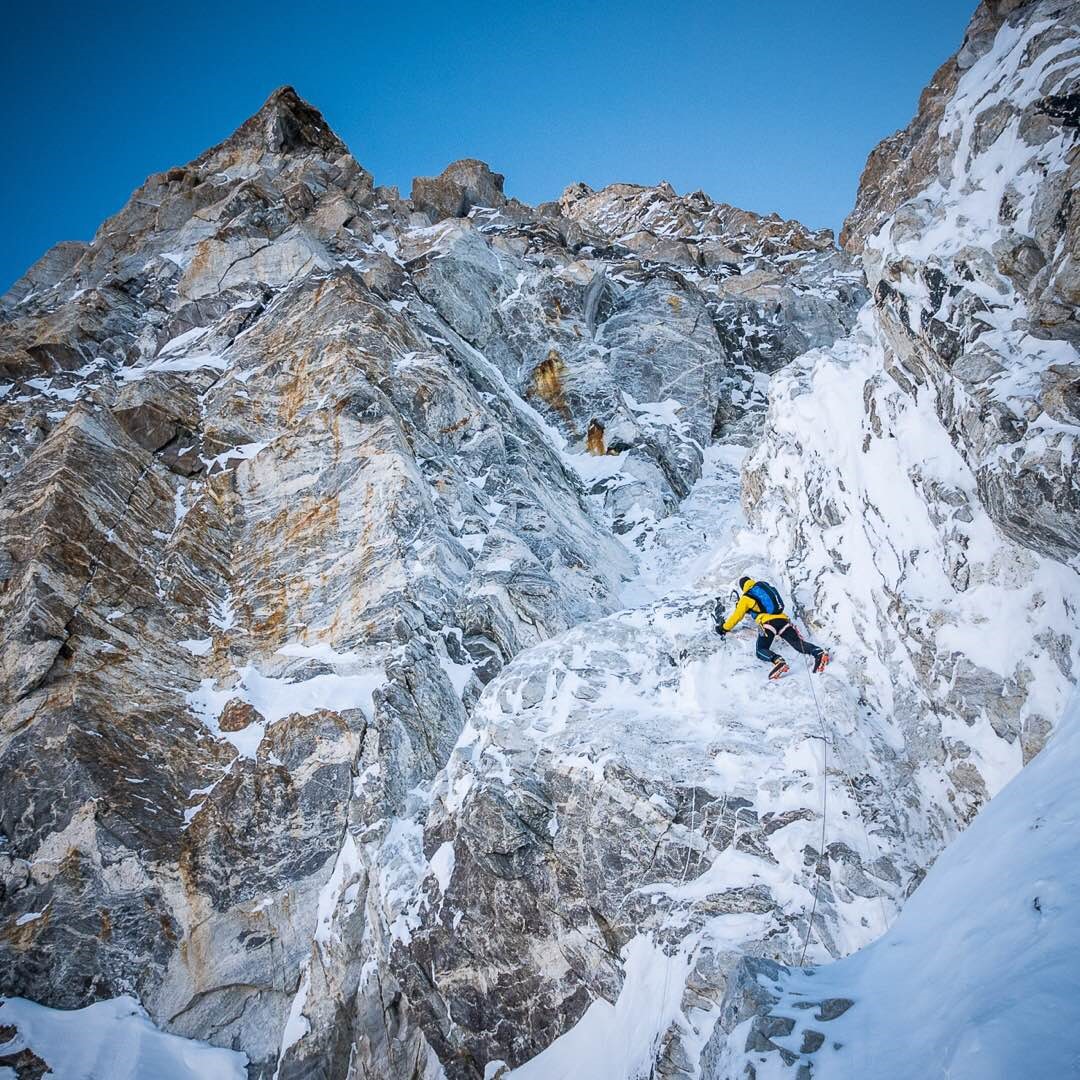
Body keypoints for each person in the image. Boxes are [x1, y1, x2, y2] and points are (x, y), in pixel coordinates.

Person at [716, 576, 829, 680]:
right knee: (797, 643)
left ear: (742, 587)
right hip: (783, 621)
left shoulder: (746, 597)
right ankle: (818, 653)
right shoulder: (763, 589)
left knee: (761, 649)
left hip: (768, 623)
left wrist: (724, 628)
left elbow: (737, 616)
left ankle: (778, 661)